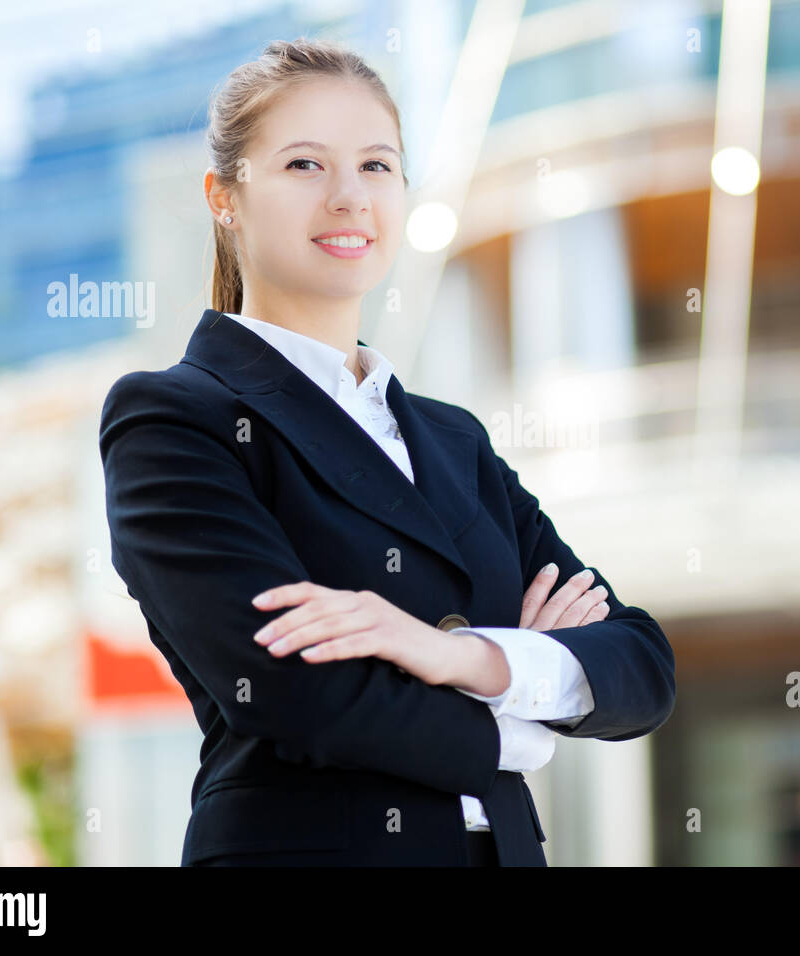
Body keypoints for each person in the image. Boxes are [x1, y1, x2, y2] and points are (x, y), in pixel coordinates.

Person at [98, 37, 676, 866]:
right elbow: (296, 692)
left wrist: (454, 654)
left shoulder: (452, 440)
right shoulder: (173, 418)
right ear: (224, 196)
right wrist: (521, 718)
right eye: (304, 165)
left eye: (377, 166)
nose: (348, 197)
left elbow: (640, 667)